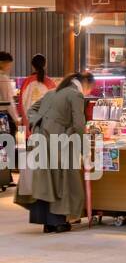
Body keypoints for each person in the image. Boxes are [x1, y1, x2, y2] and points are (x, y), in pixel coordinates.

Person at [16, 71, 93, 232]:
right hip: (59, 142)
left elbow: (31, 109)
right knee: (62, 181)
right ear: (84, 84)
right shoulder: (75, 95)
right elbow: (79, 125)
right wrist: (85, 150)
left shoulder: (52, 93)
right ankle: (58, 222)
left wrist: (37, 125)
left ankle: (48, 223)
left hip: (41, 140)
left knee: (45, 181)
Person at [16, 53, 54, 130]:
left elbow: (21, 105)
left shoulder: (26, 82)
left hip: (28, 125)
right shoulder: (50, 83)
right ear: (45, 65)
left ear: (32, 66)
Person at [0, 52, 15, 190]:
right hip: (2, 117)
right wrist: (16, 119)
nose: (10, 66)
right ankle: (4, 176)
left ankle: (6, 176)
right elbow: (9, 100)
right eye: (9, 63)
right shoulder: (3, 78)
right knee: (4, 146)